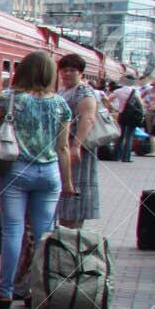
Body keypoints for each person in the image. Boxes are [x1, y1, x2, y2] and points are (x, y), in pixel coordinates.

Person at [0, 52, 76, 309]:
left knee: (12, 231)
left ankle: (5, 292)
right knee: (43, 236)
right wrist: (67, 182)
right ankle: (38, 292)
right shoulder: (60, 104)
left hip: (16, 170)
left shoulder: (11, 98)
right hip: (49, 174)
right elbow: (63, 148)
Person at [56, 52, 99, 228]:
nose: (67, 73)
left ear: (80, 73)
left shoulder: (84, 91)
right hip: (64, 147)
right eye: (64, 70)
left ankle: (72, 229)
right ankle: (66, 227)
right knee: (66, 186)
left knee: (75, 186)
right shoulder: (64, 90)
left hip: (77, 149)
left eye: (72, 70)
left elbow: (88, 118)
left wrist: (76, 146)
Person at [110, 72, 144, 162]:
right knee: (129, 136)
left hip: (122, 114)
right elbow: (141, 104)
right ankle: (126, 157)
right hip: (132, 115)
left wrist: (114, 108)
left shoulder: (118, 91)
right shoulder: (135, 91)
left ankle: (116, 156)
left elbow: (107, 100)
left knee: (120, 136)